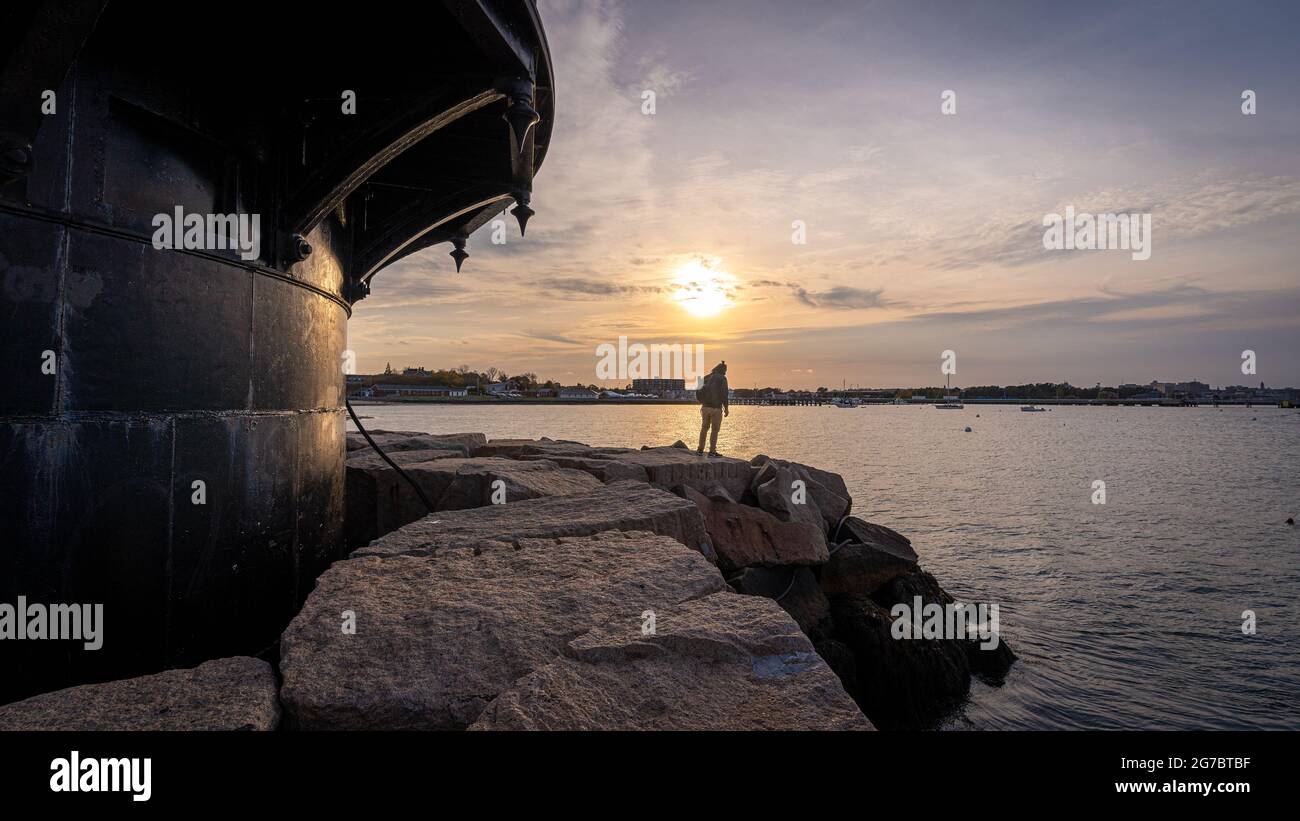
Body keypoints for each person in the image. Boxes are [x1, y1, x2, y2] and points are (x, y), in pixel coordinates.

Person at [697, 361, 729, 456]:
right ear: (722, 370)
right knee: (715, 430)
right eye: (725, 370)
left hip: (705, 407)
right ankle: (712, 451)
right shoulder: (722, 378)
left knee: (704, 428)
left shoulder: (706, 377)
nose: (726, 372)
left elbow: (698, 391)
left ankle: (700, 450)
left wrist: (702, 402)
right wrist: (726, 408)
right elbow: (724, 394)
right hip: (716, 408)